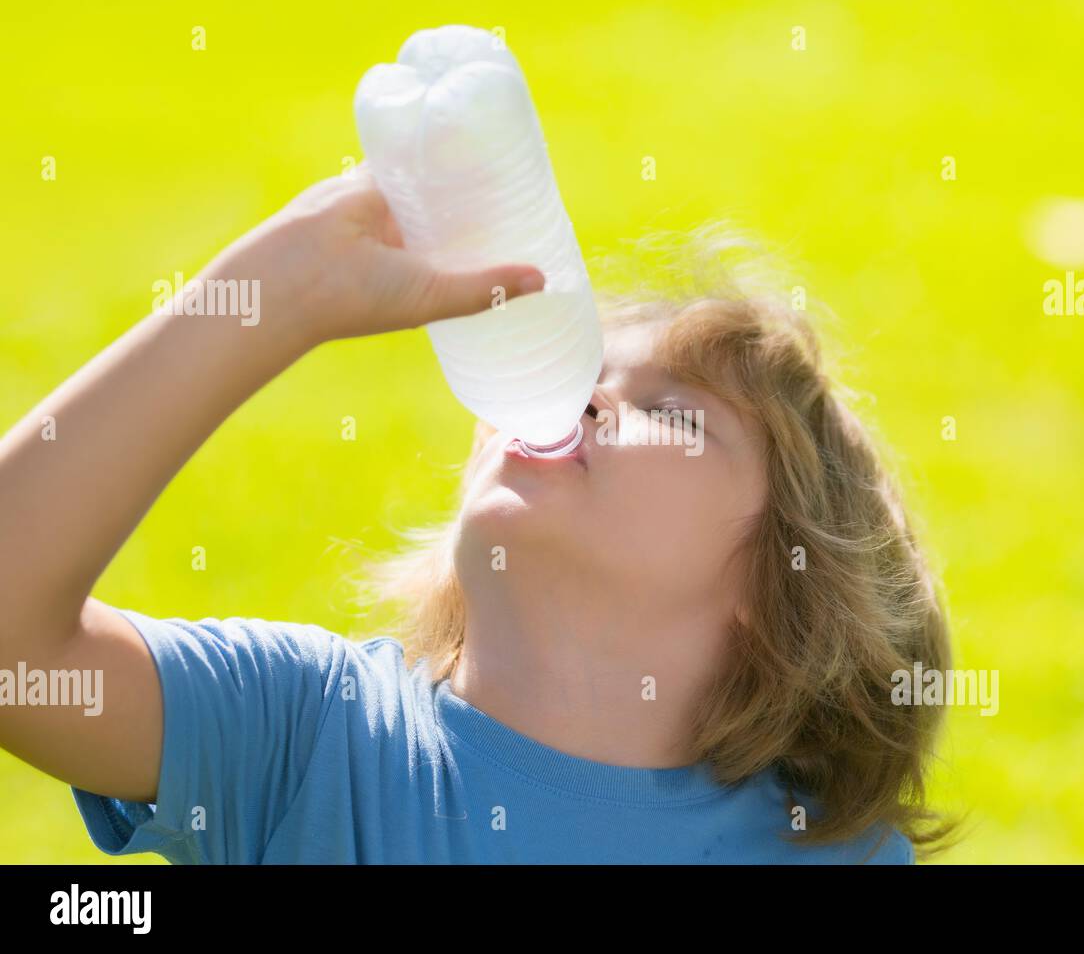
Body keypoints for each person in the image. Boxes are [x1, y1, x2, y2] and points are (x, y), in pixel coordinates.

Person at [0, 168, 956, 863]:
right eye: (575, 371)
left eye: (672, 412)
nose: (577, 399)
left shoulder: (831, 856)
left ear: (781, 585)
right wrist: (272, 298)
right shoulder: (305, 735)